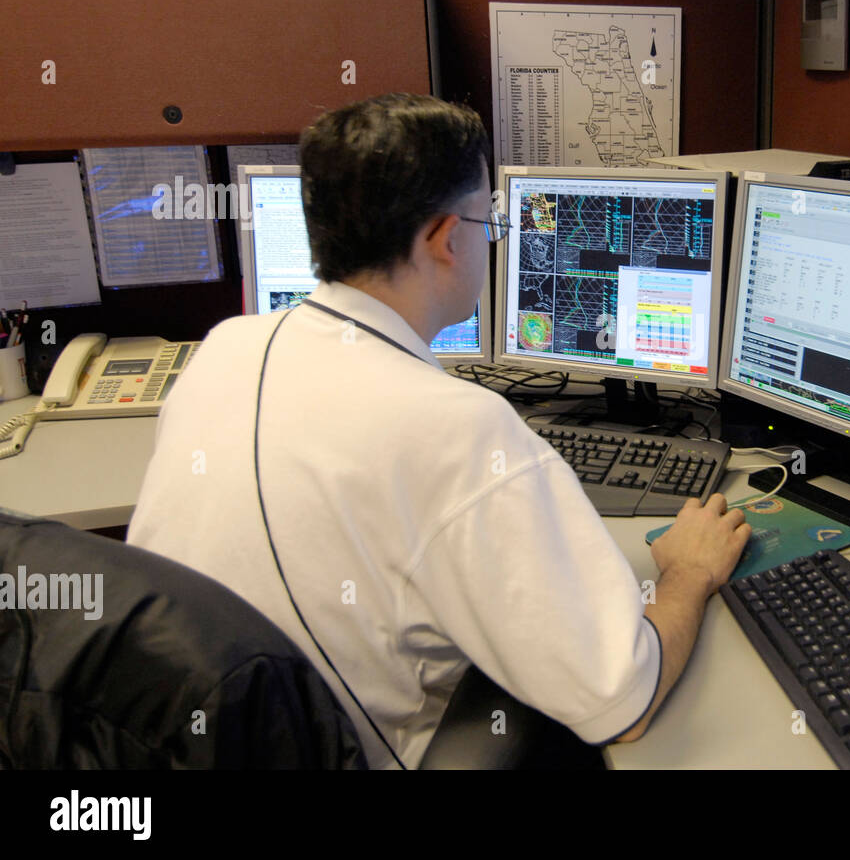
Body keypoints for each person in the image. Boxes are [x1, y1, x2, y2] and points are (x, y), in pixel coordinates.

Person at [128, 93, 750, 768]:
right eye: (490, 220)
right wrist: (687, 575)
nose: (493, 238)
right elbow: (620, 698)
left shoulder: (226, 347)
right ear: (445, 239)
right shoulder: (459, 428)